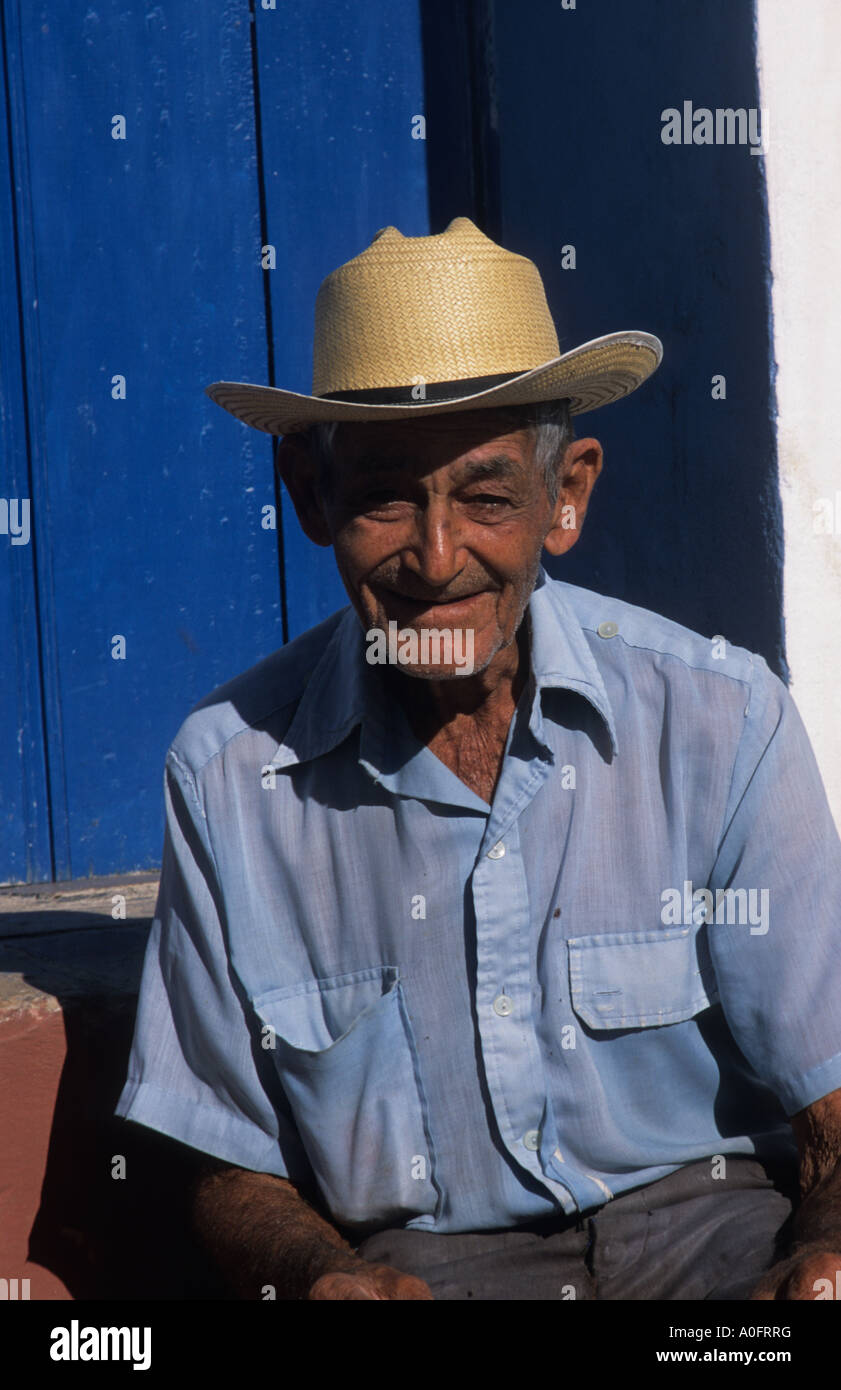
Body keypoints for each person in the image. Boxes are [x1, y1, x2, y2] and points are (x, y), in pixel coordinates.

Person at [116, 217, 841, 1301]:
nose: (437, 555)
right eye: (383, 496)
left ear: (569, 494)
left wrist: (823, 1256)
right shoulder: (229, 780)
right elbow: (221, 1156)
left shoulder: (720, 721)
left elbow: (829, 1105)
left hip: (714, 1247)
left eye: (487, 496)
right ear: (312, 499)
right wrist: (321, 1275)